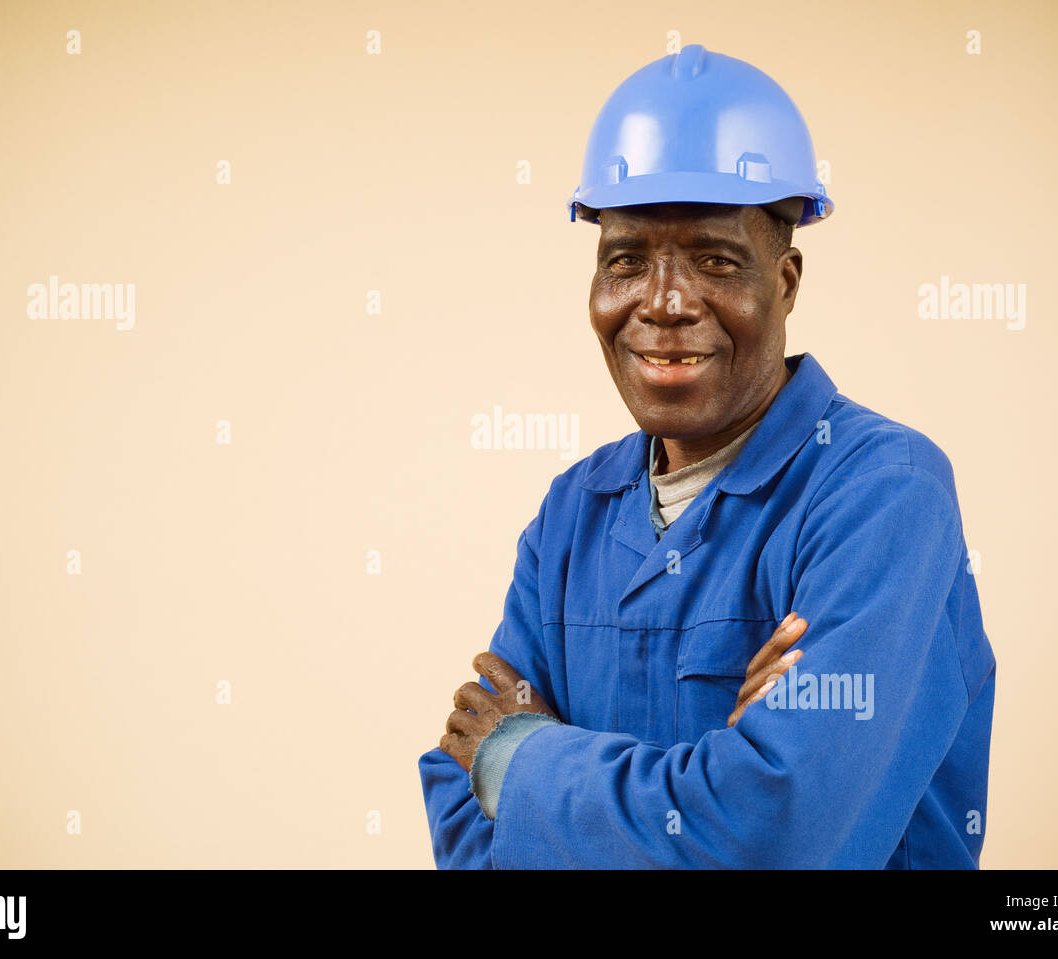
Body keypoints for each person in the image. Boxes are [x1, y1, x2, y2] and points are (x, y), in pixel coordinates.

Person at [417, 44, 996, 868]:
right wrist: (718, 777)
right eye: (626, 261)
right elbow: (460, 816)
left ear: (786, 281)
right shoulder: (571, 514)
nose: (664, 302)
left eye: (715, 260)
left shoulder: (882, 495)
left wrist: (520, 763)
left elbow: (781, 833)